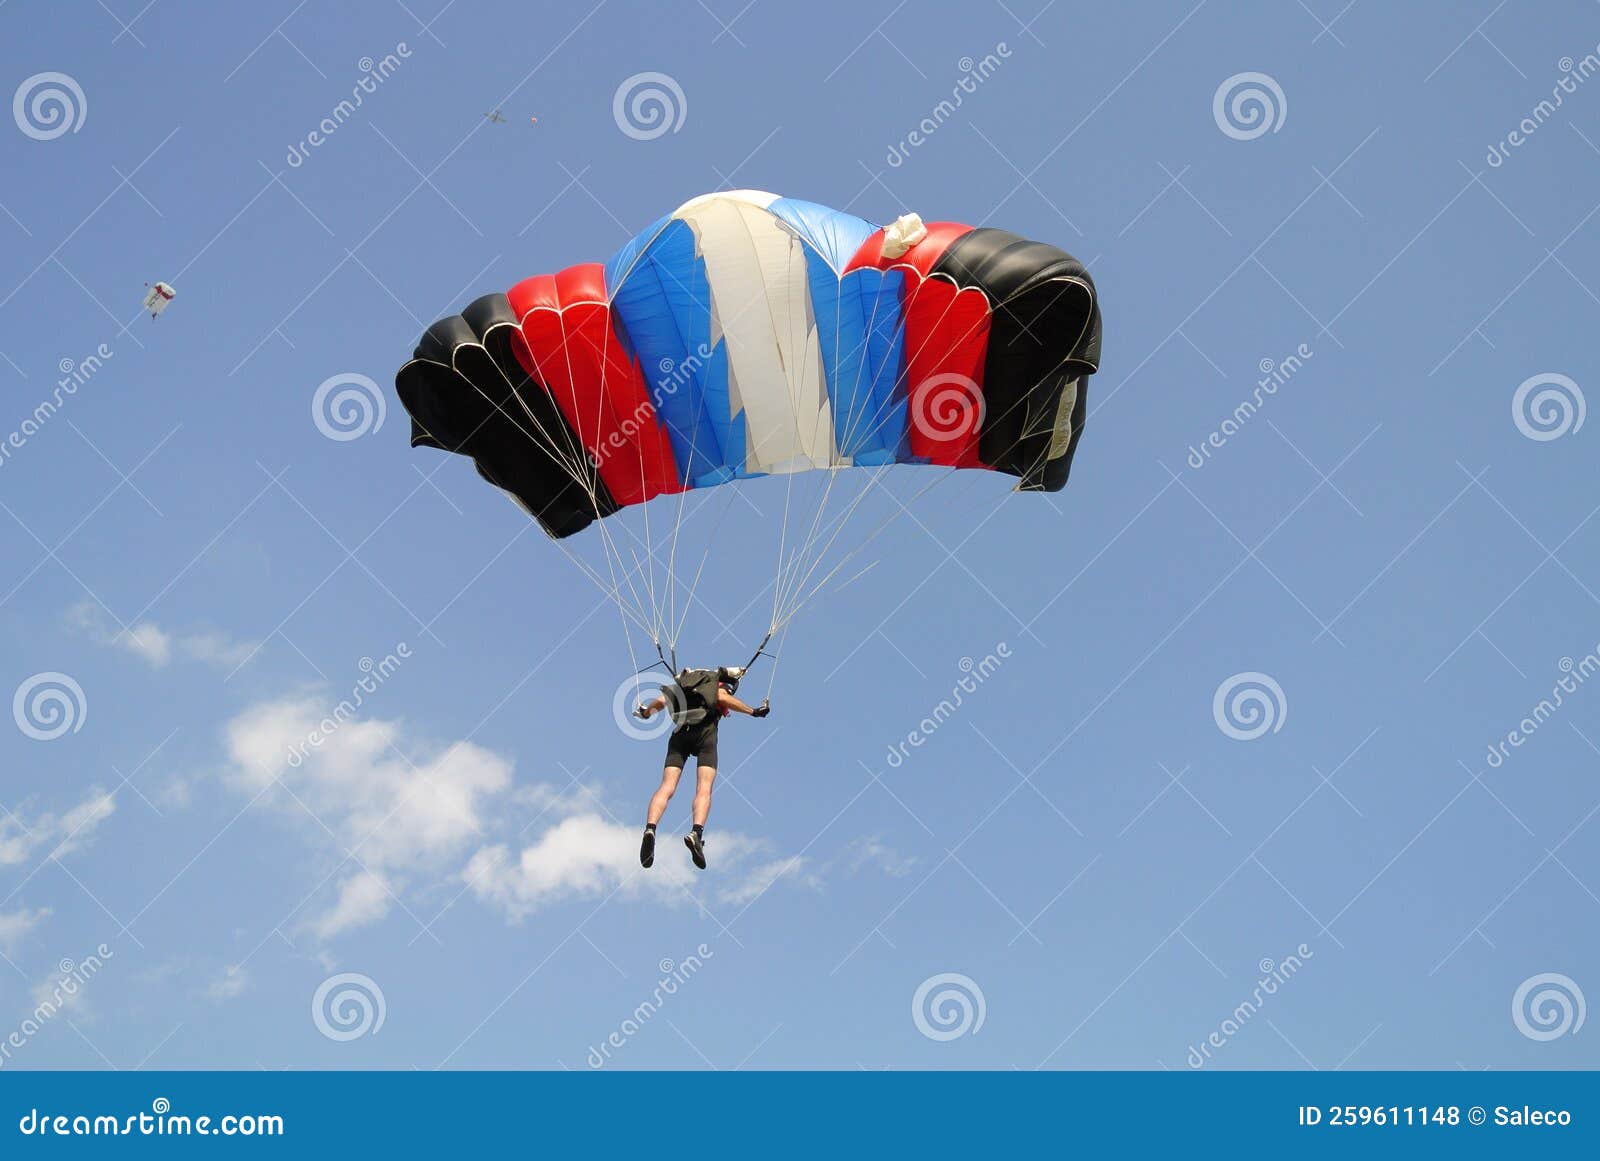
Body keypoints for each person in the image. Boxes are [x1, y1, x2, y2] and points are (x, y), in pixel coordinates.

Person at [635, 665, 770, 870]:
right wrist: (753, 711)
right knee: (704, 788)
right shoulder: (716, 681)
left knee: (666, 786)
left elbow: (661, 702)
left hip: (680, 735)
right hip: (705, 734)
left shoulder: (682, 684)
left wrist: (645, 713)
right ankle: (696, 833)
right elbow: (722, 698)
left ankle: (650, 828)